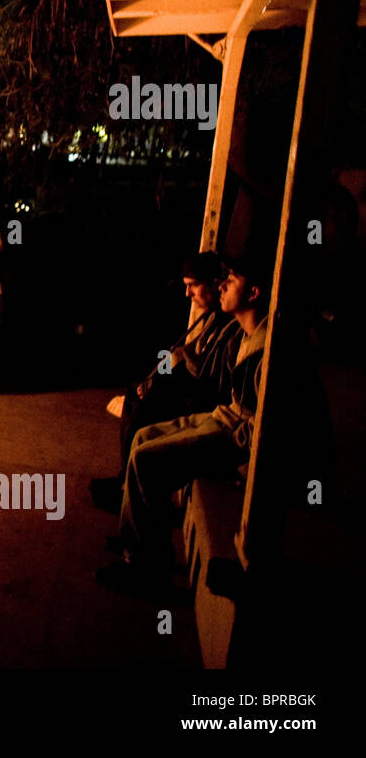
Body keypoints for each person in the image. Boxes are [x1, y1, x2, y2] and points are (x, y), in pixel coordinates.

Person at [96, 252, 271, 597]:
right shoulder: (243, 330)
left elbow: (256, 426)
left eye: (232, 280)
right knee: (144, 437)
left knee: (149, 459)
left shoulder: (264, 349)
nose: (222, 284)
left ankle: (146, 568)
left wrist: (237, 457)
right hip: (226, 417)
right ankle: (141, 541)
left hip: (234, 433)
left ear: (253, 293)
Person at [89, 253, 240, 513]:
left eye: (193, 285)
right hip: (199, 390)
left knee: (146, 406)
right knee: (137, 392)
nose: (188, 294)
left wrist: (175, 364)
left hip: (210, 402)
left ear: (214, 283)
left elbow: (208, 376)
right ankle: (124, 480)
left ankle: (128, 487)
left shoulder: (229, 323)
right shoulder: (212, 316)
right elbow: (185, 355)